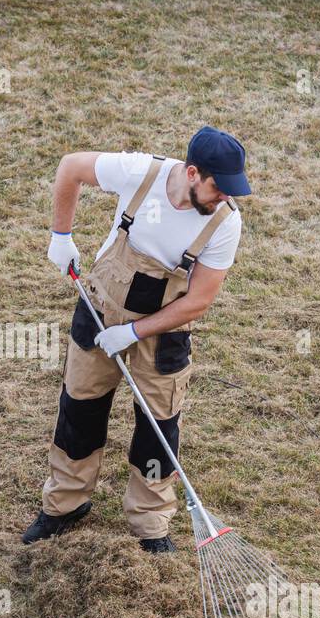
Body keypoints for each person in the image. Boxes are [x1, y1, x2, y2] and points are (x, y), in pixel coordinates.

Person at [23, 127, 249, 552]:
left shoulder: (225, 223)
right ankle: (65, 504)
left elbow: (198, 301)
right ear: (193, 173)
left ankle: (150, 523)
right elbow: (71, 166)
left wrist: (132, 332)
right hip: (99, 308)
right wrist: (61, 237)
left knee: (158, 426)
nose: (225, 198)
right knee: (80, 409)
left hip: (163, 333)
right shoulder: (140, 173)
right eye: (219, 188)